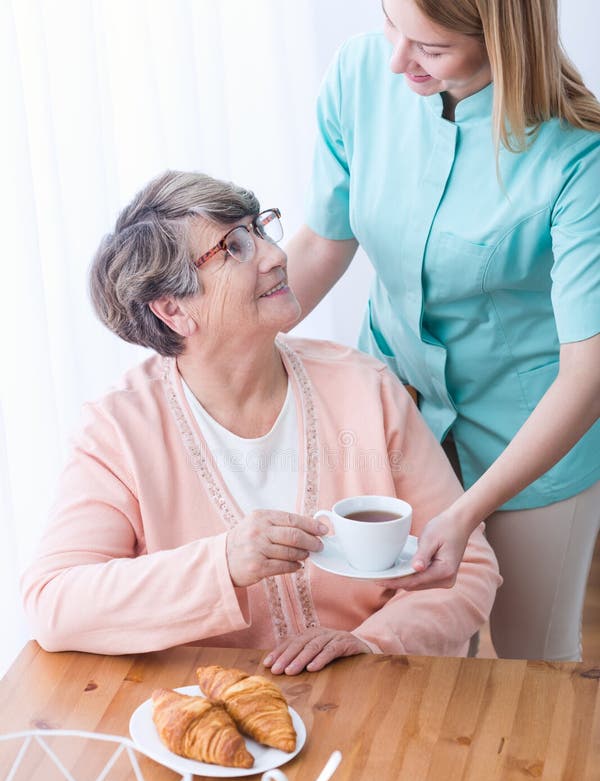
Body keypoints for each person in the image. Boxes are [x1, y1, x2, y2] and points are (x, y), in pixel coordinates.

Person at [21, 170, 500, 674]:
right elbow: (54, 603)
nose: (276, 255)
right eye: (234, 247)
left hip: (371, 699)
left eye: (261, 230)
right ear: (172, 310)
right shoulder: (119, 430)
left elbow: (468, 566)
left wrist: (374, 642)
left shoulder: (364, 387)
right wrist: (223, 564)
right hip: (212, 709)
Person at [285, 0, 600, 661]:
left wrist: (464, 513)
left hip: (531, 434)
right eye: (391, 23)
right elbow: (320, 242)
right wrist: (225, 339)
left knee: (530, 666)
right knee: (401, 649)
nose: (397, 58)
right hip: (396, 418)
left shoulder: (579, 156)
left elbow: (587, 376)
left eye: (430, 47)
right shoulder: (362, 74)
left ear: (503, 39)